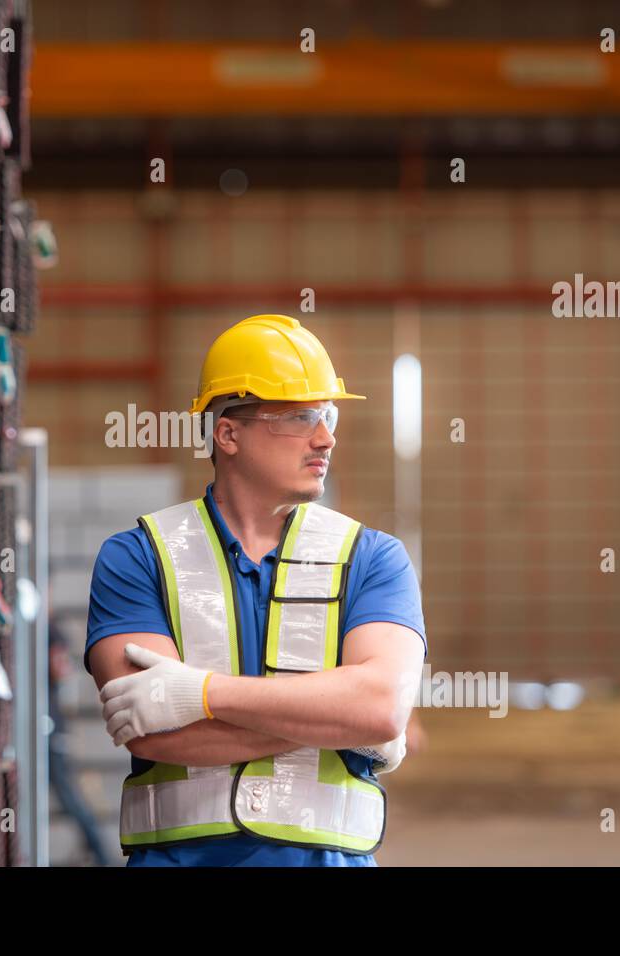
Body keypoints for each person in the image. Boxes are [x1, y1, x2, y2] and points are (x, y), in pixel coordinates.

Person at [85, 314, 427, 867]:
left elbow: (381, 707)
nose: (326, 436)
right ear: (228, 433)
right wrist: (335, 721)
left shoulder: (373, 558)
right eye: (300, 416)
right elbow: (152, 732)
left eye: (328, 414)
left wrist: (198, 695)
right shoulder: (137, 556)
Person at [47, 613, 113, 866]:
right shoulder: (44, 628)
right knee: (69, 798)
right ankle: (98, 853)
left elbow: (60, 670)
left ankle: (100, 855)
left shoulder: (49, 630)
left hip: (50, 729)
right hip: (50, 726)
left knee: (70, 798)